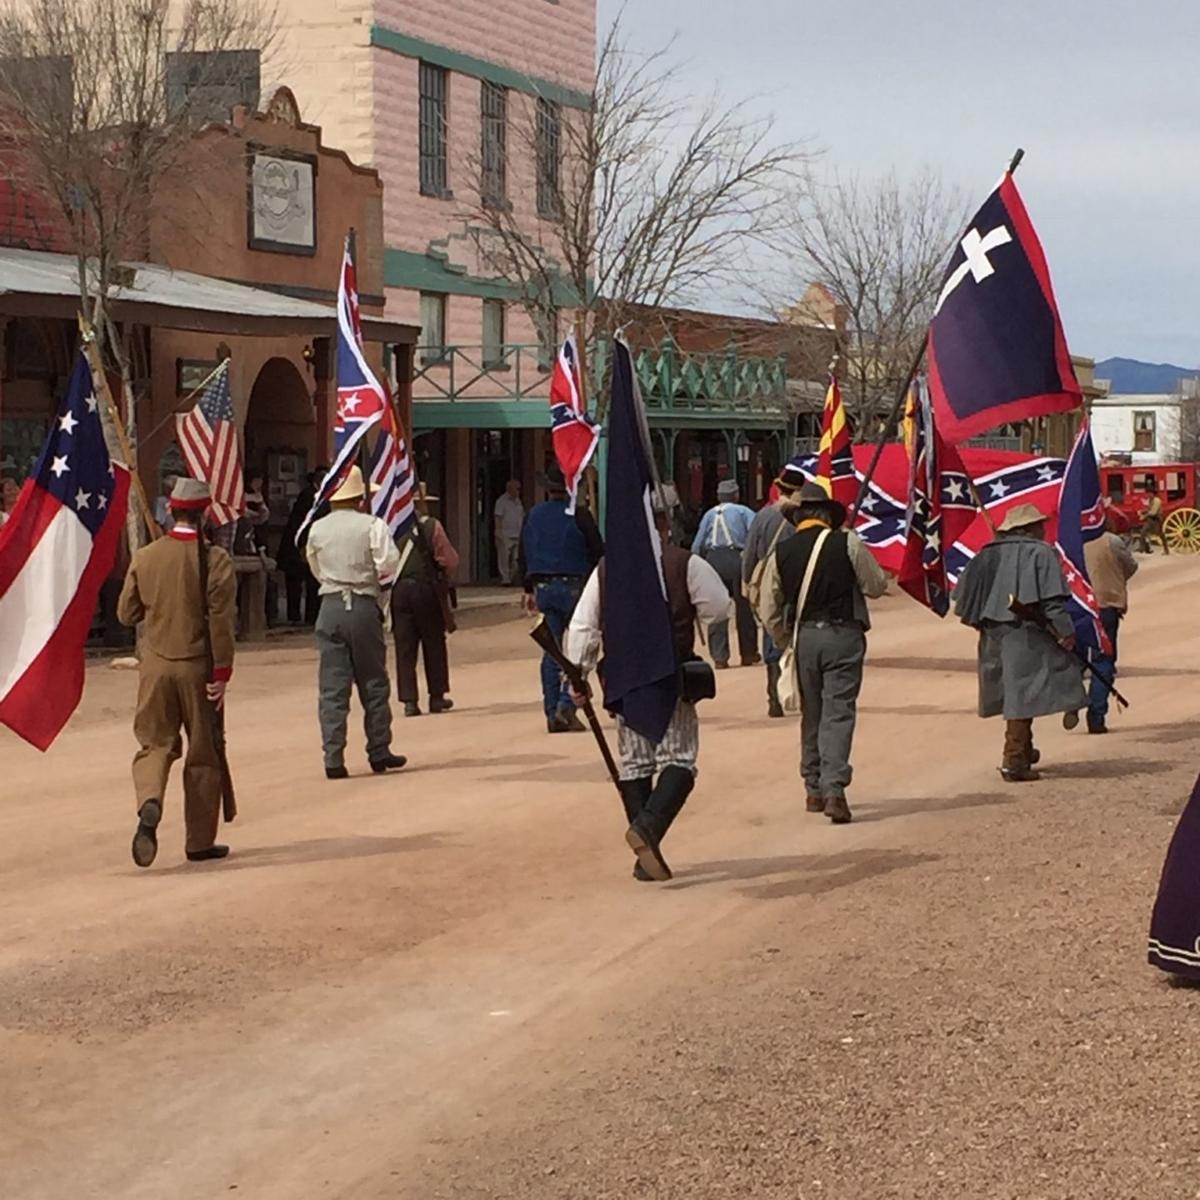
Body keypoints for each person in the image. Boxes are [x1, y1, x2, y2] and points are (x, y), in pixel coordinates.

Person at [565, 497, 732, 881]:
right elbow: (719, 608)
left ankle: (646, 856)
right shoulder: (683, 562)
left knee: (636, 763)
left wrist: (579, 673)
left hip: (623, 680)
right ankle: (648, 831)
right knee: (680, 759)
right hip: (668, 677)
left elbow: (583, 627)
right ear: (664, 524)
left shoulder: (608, 569)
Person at [117, 478, 236, 867]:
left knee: (154, 745)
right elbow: (221, 624)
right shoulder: (215, 560)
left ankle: (149, 801)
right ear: (204, 516)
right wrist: (222, 673)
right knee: (203, 754)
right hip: (198, 668)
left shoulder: (147, 556)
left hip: (155, 667)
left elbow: (125, 613)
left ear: (170, 510)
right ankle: (199, 841)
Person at [758, 482, 887, 824]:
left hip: (804, 640)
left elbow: (768, 607)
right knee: (838, 714)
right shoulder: (847, 541)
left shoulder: (781, 552)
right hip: (844, 636)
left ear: (798, 516)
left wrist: (786, 639)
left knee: (811, 714)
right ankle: (835, 789)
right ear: (828, 515)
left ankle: (813, 787)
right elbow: (876, 586)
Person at [953, 503, 1087, 783]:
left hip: (992, 633)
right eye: (1038, 525)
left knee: (1016, 692)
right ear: (1027, 529)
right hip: (1026, 634)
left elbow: (963, 601)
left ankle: (1024, 749)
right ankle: (1013, 759)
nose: (1043, 529)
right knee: (1024, 693)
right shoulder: (1041, 553)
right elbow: (1052, 602)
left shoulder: (984, 555)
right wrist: (1065, 632)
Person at [305, 465, 407, 780]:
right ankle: (379, 749)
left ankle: (333, 757)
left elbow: (315, 566)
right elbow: (388, 563)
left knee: (332, 686)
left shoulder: (317, 528)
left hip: (331, 603)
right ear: (360, 497)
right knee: (373, 681)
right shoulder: (372, 525)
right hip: (362, 604)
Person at [520, 464, 604, 733]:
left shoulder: (533, 515)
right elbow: (598, 553)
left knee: (551, 650)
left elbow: (523, 553)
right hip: (575, 586)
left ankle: (551, 708)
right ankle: (567, 703)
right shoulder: (580, 516)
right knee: (581, 645)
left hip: (543, 585)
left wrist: (528, 588)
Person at [741, 462, 807, 718]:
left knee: (770, 629)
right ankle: (794, 691)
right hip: (795, 580)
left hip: (768, 580)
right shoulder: (801, 516)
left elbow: (749, 553)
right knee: (796, 633)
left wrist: (748, 582)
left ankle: (773, 698)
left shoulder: (762, 516)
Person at [392, 486, 460, 717]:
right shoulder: (432, 526)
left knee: (405, 647)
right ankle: (437, 696)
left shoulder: (391, 527)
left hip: (399, 590)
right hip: (425, 588)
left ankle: (409, 701)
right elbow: (450, 560)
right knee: (434, 642)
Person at [692, 479, 759, 669]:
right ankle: (748, 653)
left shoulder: (708, 515)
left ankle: (720, 656)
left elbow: (697, 545)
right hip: (737, 558)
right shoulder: (744, 512)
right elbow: (754, 536)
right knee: (744, 607)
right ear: (736, 495)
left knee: (717, 607)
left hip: (714, 560)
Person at [1082, 514, 1138, 734]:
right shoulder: (1112, 541)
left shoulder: (1075, 539)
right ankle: (1096, 715)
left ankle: (1073, 701)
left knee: (1075, 658)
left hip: (1079, 605)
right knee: (1103, 660)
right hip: (1107, 605)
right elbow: (1131, 566)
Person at [278, 468, 324, 624]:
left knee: (310, 584)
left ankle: (308, 617)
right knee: (299, 583)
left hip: (304, 543)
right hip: (298, 545)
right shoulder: (310, 496)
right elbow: (305, 523)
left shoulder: (314, 496)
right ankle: (298, 617)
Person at [493, 479, 524, 585]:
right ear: (510, 489)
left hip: (517, 533)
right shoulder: (501, 501)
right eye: (517, 489)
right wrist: (498, 532)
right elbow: (498, 517)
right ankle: (505, 579)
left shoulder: (518, 501)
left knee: (516, 560)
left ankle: (510, 577)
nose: (519, 491)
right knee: (504, 559)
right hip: (505, 534)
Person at [1138, 490, 1169, 555]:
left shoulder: (1157, 501)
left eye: (1149, 493)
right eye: (1148, 493)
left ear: (1153, 494)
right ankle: (1142, 548)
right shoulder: (1150, 500)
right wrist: (1142, 511)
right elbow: (1149, 509)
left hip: (1157, 519)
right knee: (1143, 532)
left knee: (1160, 534)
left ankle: (1166, 550)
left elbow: (1153, 512)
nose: (1148, 495)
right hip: (1150, 519)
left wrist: (1144, 516)